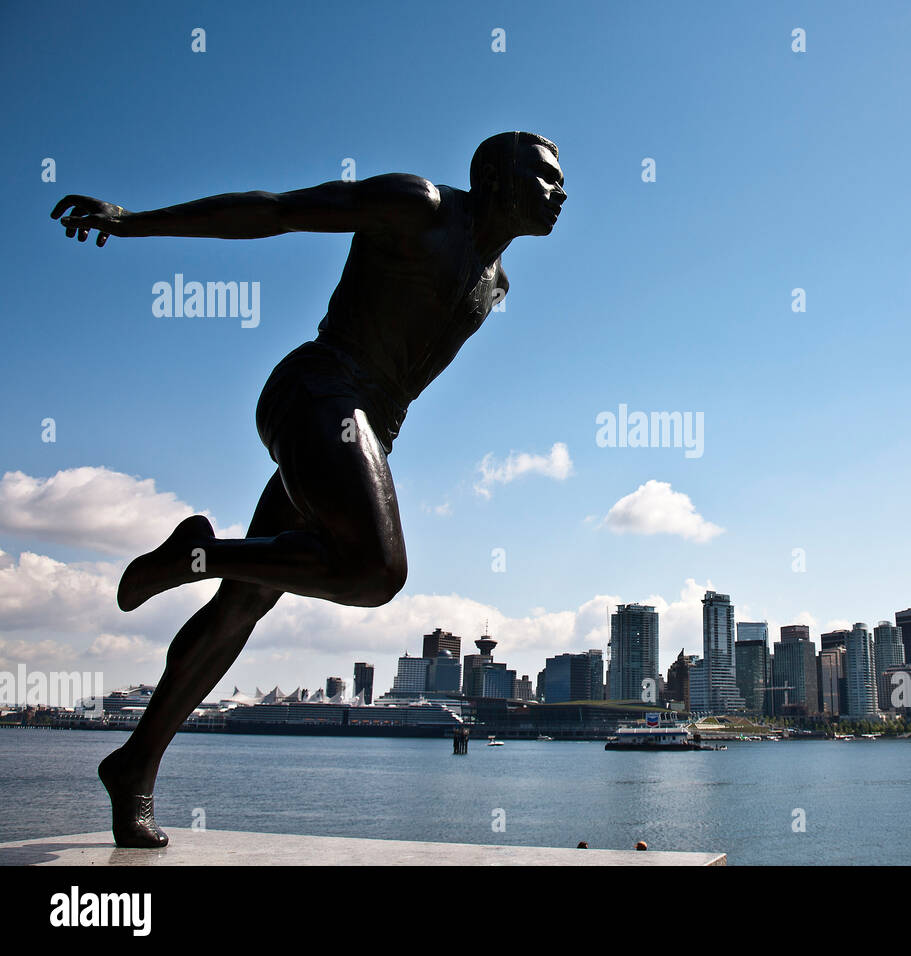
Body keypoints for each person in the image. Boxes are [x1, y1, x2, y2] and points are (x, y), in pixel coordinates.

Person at [50, 132, 566, 847]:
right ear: (498, 176)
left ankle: (134, 764)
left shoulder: (497, 281)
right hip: (320, 392)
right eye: (544, 177)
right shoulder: (418, 207)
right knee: (375, 571)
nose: (560, 192)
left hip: (367, 428)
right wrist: (134, 221)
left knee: (241, 609)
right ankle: (196, 554)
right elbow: (275, 211)